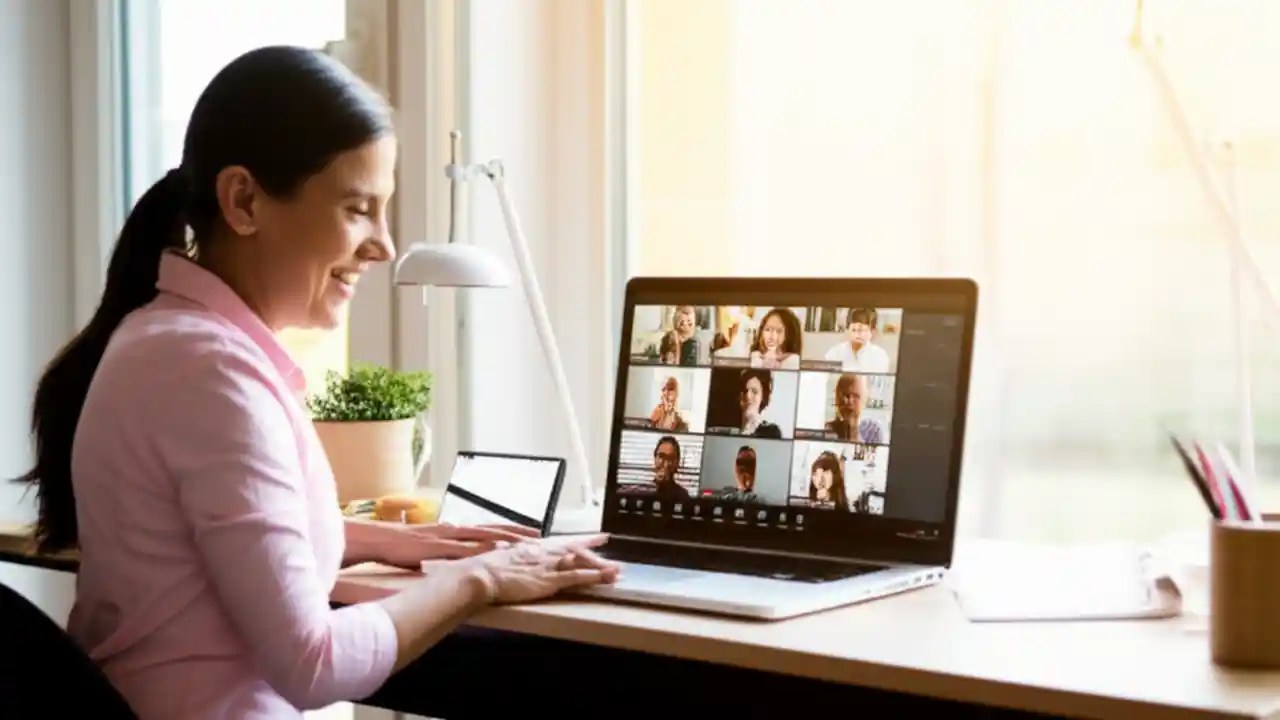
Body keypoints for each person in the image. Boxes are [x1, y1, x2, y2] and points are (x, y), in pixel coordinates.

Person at [13, 46, 616, 719]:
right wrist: (478, 580)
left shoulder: (164, 339)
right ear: (244, 201)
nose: (384, 246)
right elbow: (313, 661)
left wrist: (384, 540)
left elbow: (208, 540)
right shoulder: (211, 373)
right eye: (359, 208)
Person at [823, 307, 890, 373]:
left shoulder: (880, 356)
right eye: (854, 329)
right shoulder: (834, 353)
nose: (859, 334)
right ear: (847, 328)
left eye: (863, 330)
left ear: (872, 331)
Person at [824, 373, 886, 444]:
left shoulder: (873, 430)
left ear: (865, 399)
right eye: (845, 395)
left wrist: (854, 430)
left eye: (856, 396)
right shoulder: (827, 430)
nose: (849, 401)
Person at [738, 368, 782, 438]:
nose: (748, 396)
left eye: (754, 392)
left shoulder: (771, 431)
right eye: (745, 391)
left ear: (763, 397)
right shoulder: (728, 430)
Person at [650, 436, 692, 501]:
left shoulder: (683, 496)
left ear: (677, 462)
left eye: (671, 458)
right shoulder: (641, 491)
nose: (666, 465)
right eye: (661, 456)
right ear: (655, 458)